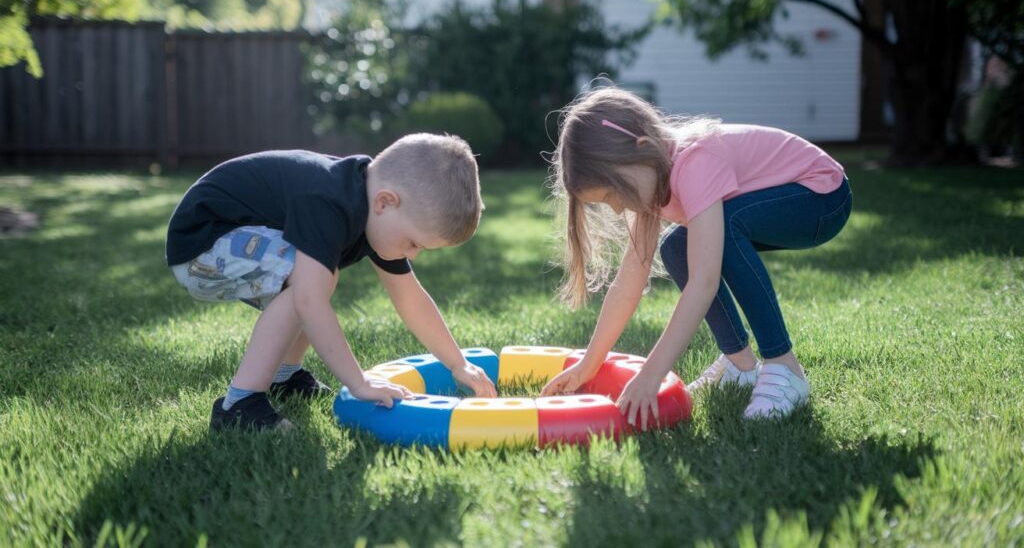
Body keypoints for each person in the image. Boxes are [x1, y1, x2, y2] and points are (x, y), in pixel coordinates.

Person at [540, 86, 852, 424]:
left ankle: (784, 366)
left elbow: (704, 282)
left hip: (822, 197)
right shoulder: (653, 178)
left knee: (725, 229)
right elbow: (627, 284)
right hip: (785, 201)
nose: (617, 209)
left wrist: (650, 375)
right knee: (676, 247)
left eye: (615, 193)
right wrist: (589, 364)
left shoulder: (695, 162)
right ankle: (740, 364)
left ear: (642, 151)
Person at [166, 134, 497, 431]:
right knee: (309, 282)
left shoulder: (373, 210)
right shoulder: (328, 201)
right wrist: (359, 382)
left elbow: (411, 299)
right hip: (203, 244)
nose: (414, 255)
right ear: (385, 202)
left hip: (236, 240)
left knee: (315, 276)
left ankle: (286, 376)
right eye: (414, 243)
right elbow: (310, 301)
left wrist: (459, 364)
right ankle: (239, 404)